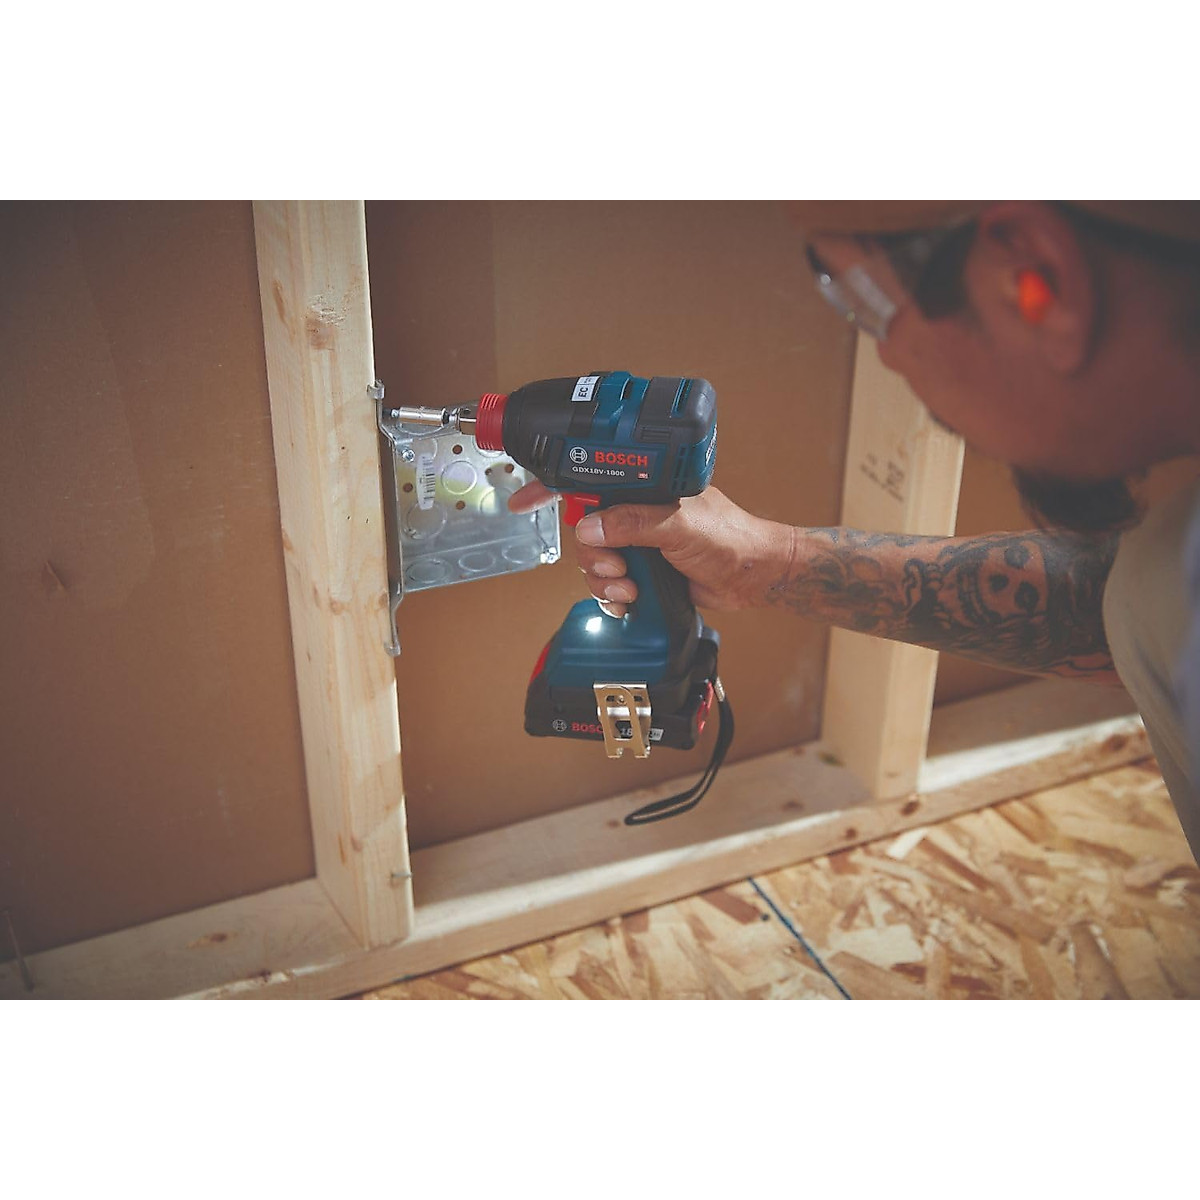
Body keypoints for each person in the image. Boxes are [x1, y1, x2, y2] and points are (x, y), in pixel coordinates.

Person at [510, 201, 1200, 860]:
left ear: (1037, 276)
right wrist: (766, 562)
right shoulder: (1176, 568)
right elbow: (1116, 607)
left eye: (867, 301)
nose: (887, 357)